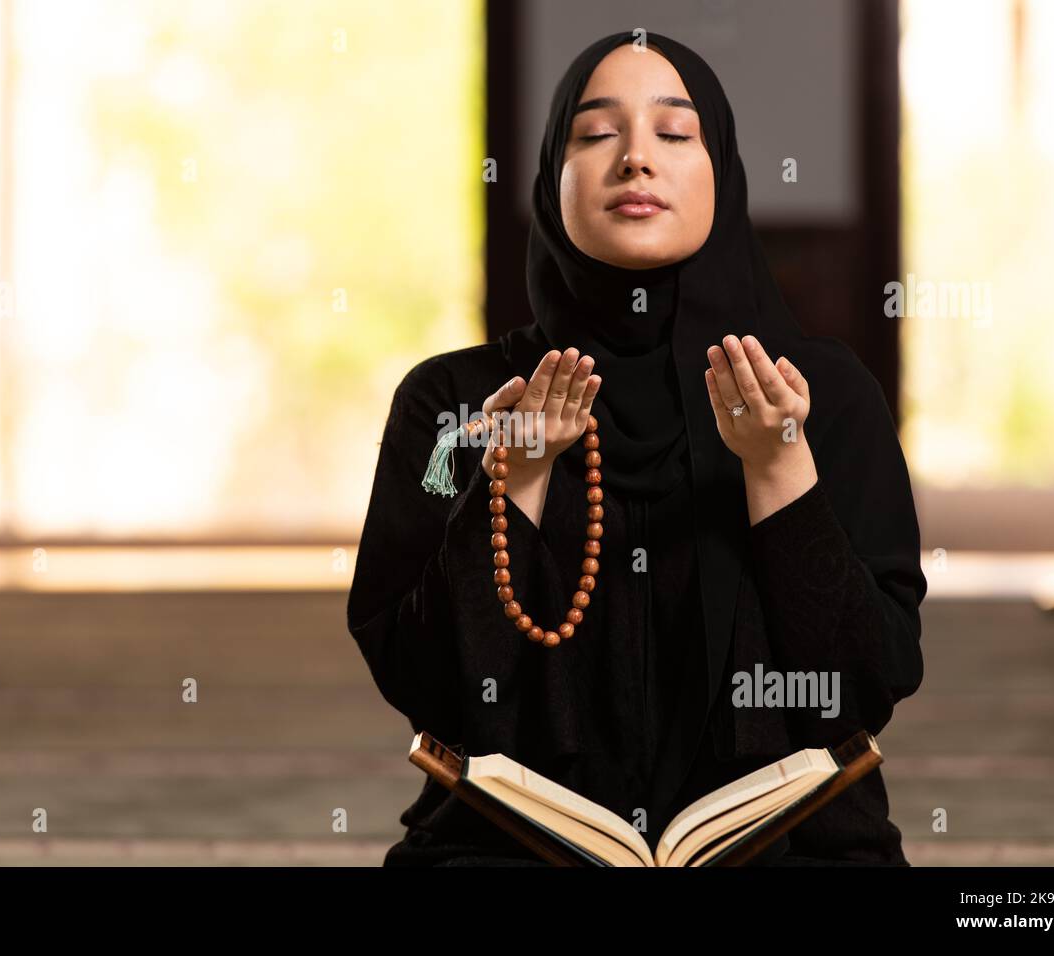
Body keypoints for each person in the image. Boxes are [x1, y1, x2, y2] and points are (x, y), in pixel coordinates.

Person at [346, 29, 927, 867]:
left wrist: (778, 469)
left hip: (789, 849)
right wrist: (517, 480)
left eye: (675, 132)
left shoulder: (820, 395)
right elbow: (428, 687)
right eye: (595, 133)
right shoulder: (453, 404)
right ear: (554, 180)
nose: (636, 160)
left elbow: (863, 687)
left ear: (721, 171)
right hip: (509, 851)